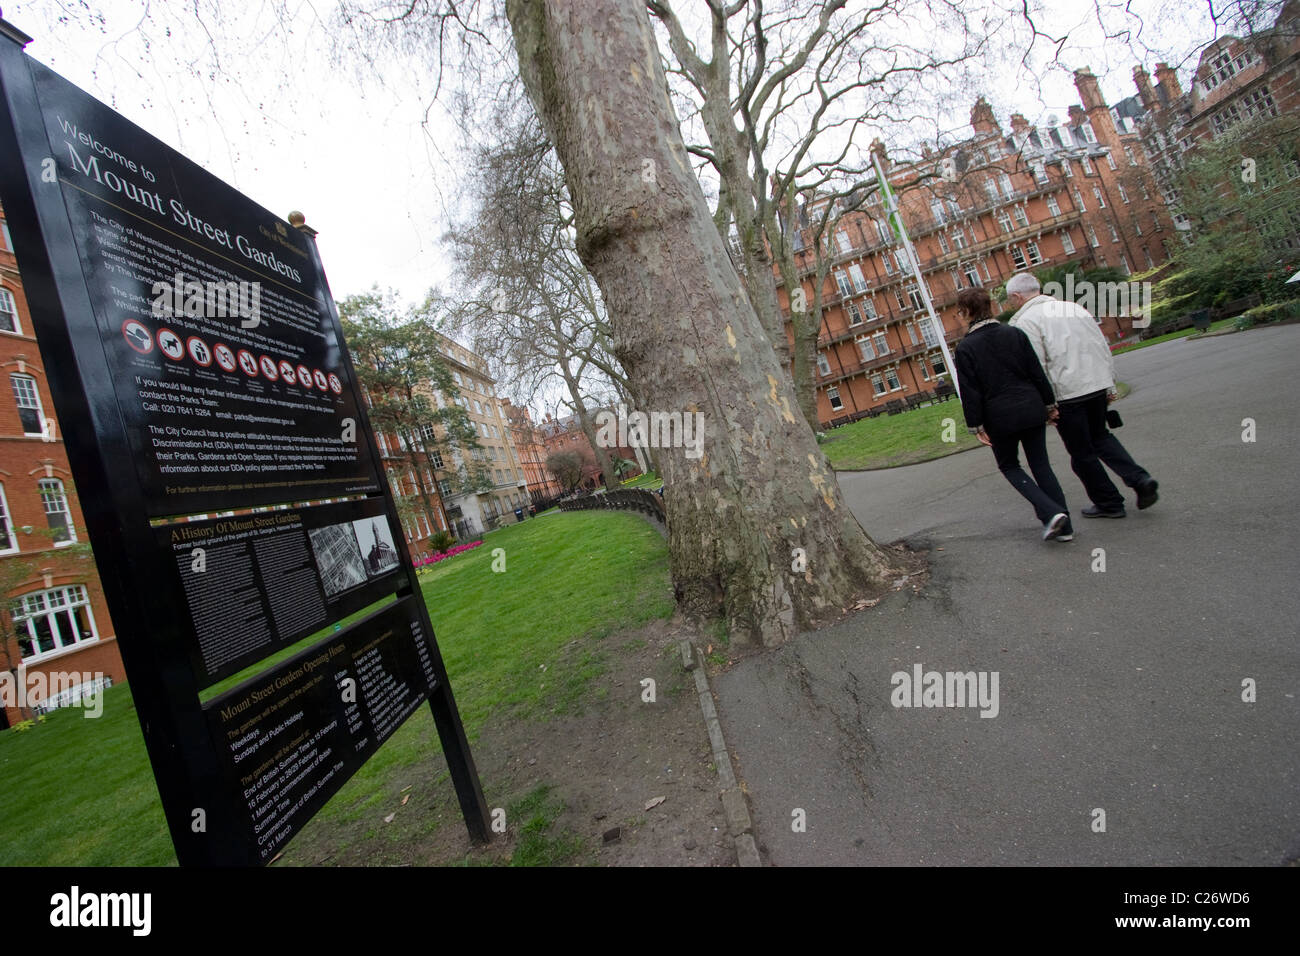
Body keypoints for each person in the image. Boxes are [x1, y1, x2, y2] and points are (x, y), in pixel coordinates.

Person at [1003, 273, 1159, 518]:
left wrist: (1047, 403)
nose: (1011, 304)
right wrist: (1109, 383)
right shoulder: (1074, 308)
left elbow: (1037, 366)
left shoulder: (1025, 322)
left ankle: (1109, 502)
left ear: (1016, 296)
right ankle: (1140, 479)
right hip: (1096, 384)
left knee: (1081, 453)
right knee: (1101, 438)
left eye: (1010, 300)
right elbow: (1100, 344)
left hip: (1067, 393)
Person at [954, 288, 1073, 542]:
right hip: (1031, 407)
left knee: (1009, 465)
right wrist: (1049, 404)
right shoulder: (1014, 333)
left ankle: (1052, 513)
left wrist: (975, 425)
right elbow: (1036, 371)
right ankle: (1065, 527)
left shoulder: (966, 348)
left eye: (960, 312)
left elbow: (970, 391)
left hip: (999, 417)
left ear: (967, 312)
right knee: (1041, 465)